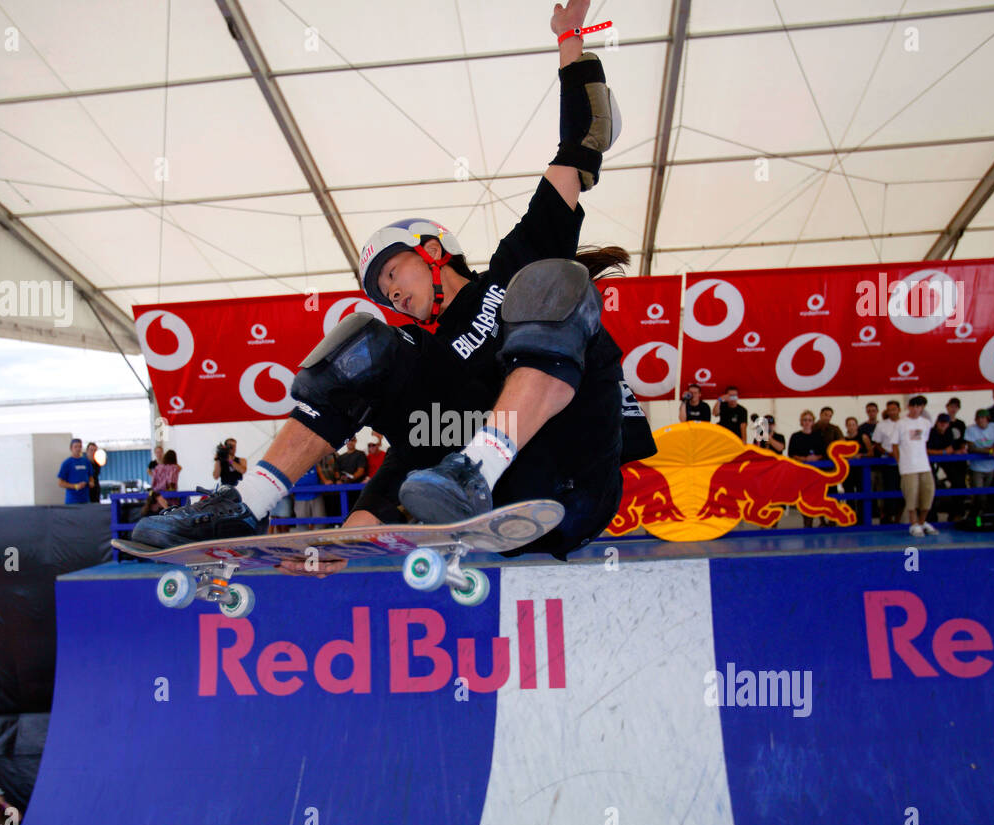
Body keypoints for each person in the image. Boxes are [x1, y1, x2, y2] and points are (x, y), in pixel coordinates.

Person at [131, 2, 648, 570]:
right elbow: (409, 455)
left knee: (552, 279)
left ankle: (481, 461)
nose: (391, 294)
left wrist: (569, 40)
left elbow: (585, 140)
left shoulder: (510, 266)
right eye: (382, 288)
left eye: (392, 275)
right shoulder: (431, 359)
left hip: (573, 473)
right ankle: (247, 500)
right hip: (492, 501)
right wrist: (338, 543)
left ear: (431, 250)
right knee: (366, 345)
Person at [893, 396, 938, 537]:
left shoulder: (926, 423)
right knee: (911, 496)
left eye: (920, 406)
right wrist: (901, 462)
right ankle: (913, 524)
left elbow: (924, 441)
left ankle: (922, 522)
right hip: (908, 467)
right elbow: (894, 445)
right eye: (914, 406)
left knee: (928, 493)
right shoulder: (901, 424)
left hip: (924, 465)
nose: (917, 409)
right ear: (909, 407)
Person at [788, 411, 827, 527]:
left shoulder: (818, 436)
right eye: (805, 420)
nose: (807, 422)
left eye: (809, 420)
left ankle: (822, 520)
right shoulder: (796, 436)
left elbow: (824, 453)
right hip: (802, 472)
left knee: (819, 496)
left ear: (813, 422)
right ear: (801, 422)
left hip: (817, 472)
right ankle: (807, 520)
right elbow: (791, 454)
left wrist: (815, 458)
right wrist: (804, 458)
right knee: (805, 497)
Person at [927, 413, 967, 521]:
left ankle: (956, 514)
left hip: (947, 462)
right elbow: (927, 451)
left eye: (945, 423)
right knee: (930, 486)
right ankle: (931, 517)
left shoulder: (950, 433)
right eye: (941, 422)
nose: (943, 424)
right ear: (937, 423)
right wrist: (944, 452)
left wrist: (953, 451)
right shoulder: (930, 433)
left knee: (958, 483)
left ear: (948, 424)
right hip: (930, 463)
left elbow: (952, 449)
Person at [965, 408, 994, 514]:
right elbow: (971, 448)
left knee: (987, 494)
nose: (981, 421)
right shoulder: (971, 429)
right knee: (979, 495)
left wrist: (992, 451)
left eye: (983, 418)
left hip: (991, 466)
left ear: (988, 419)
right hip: (976, 467)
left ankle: (984, 516)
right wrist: (991, 451)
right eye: (979, 418)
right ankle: (976, 517)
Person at [872, 400, 904, 523]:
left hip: (904, 464)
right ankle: (887, 517)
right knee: (889, 491)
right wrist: (887, 453)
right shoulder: (881, 425)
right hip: (888, 463)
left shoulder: (905, 424)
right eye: (889, 409)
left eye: (894, 409)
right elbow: (877, 444)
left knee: (903, 492)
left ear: (899, 410)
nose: (892, 412)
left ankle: (899, 518)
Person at [57, 438, 92, 504]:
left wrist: (91, 483)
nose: (78, 449)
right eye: (76, 447)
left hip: (85, 499)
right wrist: (75, 486)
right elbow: (60, 483)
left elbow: (91, 477)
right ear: (71, 448)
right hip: (72, 500)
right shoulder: (67, 463)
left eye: (80, 447)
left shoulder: (86, 462)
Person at [291, 466, 325, 531]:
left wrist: (325, 481)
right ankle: (303, 540)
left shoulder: (315, 464)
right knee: (302, 523)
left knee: (320, 521)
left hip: (316, 494)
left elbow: (320, 473)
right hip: (300, 496)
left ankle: (318, 539)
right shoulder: (295, 465)